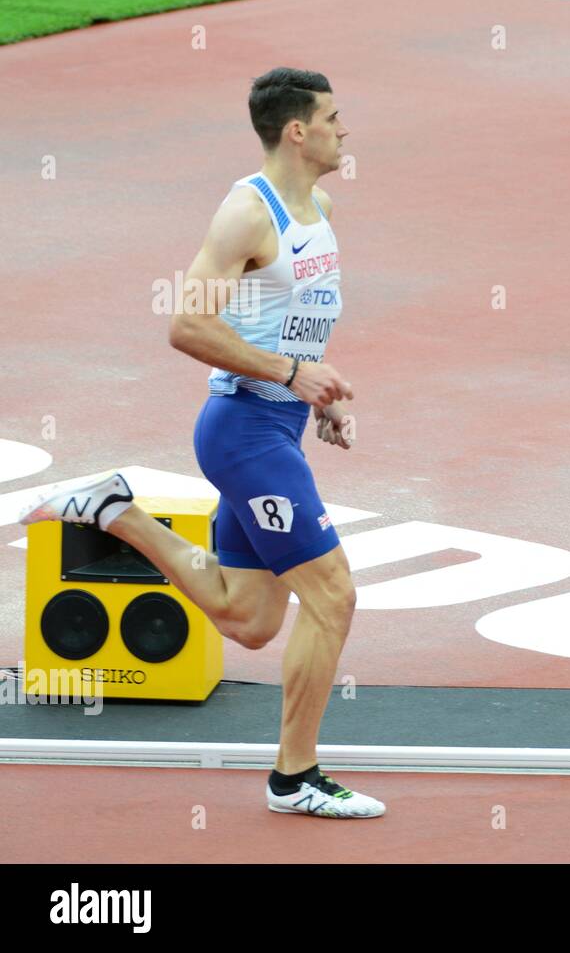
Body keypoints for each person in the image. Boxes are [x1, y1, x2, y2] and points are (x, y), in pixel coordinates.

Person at [21, 67, 383, 818]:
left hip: (274, 426)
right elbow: (187, 325)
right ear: (297, 130)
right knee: (334, 595)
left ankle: (117, 512)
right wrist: (290, 372)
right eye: (333, 117)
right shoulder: (246, 214)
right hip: (244, 434)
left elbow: (291, 324)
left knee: (249, 621)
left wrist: (312, 395)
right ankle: (294, 778)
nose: (344, 130)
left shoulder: (319, 206)